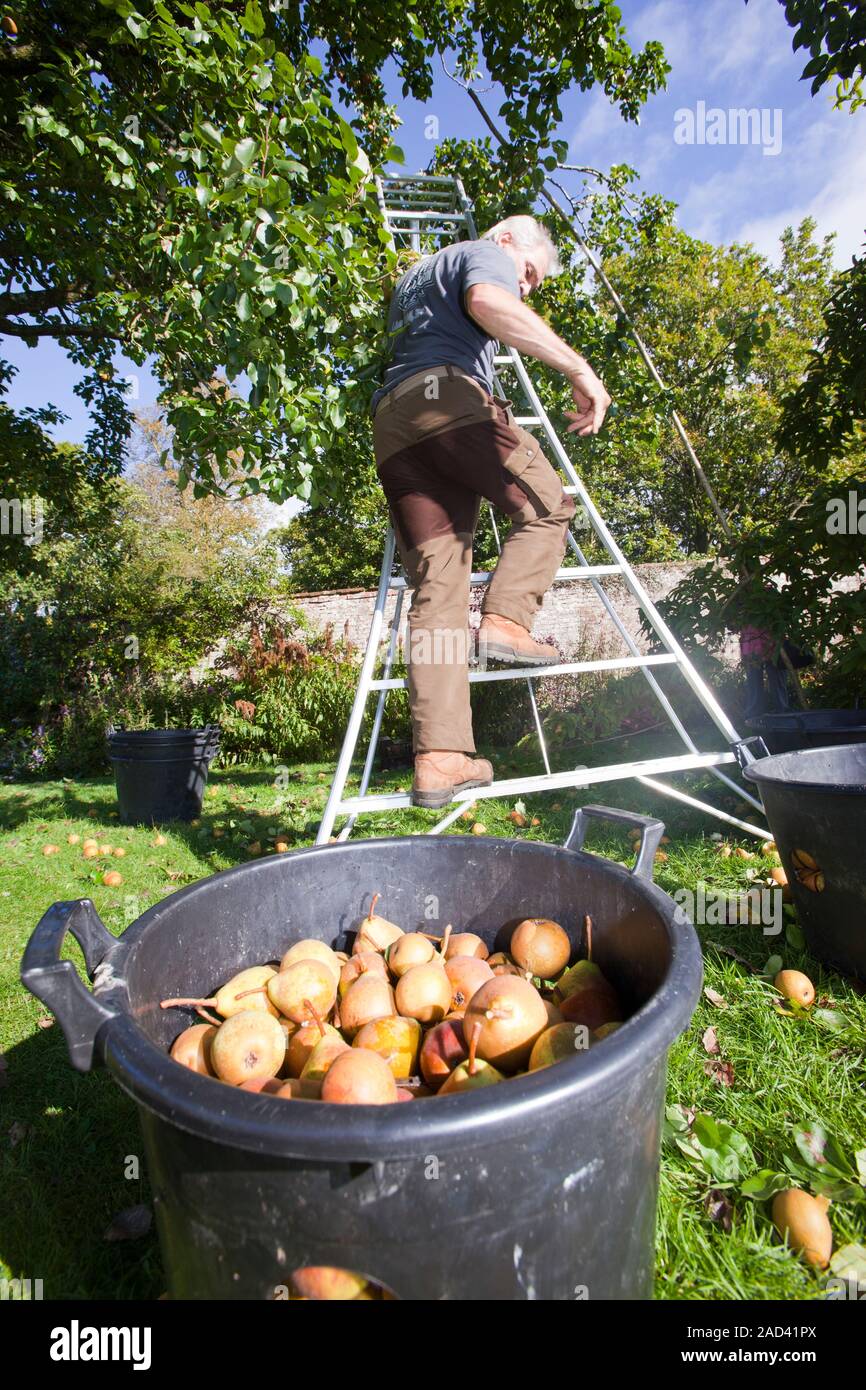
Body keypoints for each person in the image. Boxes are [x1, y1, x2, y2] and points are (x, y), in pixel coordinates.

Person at [370, 215, 611, 808]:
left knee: (439, 593)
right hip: (447, 402)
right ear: (508, 240)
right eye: (528, 273)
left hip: (395, 427)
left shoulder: (415, 279)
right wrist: (579, 368)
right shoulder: (483, 254)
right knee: (549, 506)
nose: (525, 287)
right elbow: (486, 300)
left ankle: (441, 757)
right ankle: (506, 622)